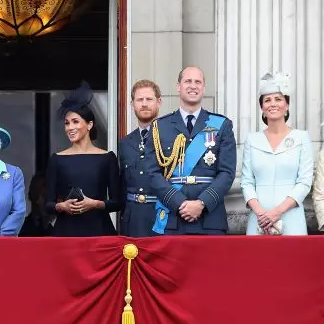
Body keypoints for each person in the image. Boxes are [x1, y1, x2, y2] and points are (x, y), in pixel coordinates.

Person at [145, 66, 236, 235]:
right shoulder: (160, 127)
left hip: (210, 218)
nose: (193, 86)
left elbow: (227, 173)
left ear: (203, 87)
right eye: (188, 81)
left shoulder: (221, 125)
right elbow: (152, 173)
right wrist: (180, 203)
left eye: (197, 82)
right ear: (178, 86)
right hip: (173, 217)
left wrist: (201, 203)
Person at [45, 82, 123, 237]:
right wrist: (62, 206)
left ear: (89, 125)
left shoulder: (107, 158)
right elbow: (48, 204)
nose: (69, 127)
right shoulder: (57, 159)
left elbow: (118, 202)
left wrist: (94, 204)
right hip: (66, 233)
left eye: (75, 121)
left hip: (99, 231)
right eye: (67, 123)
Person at [241, 73, 313, 236]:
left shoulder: (301, 138)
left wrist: (277, 212)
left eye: (278, 99)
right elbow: (246, 182)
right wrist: (261, 213)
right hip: (259, 219)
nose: (273, 104)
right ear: (262, 108)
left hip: (291, 217)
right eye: (267, 100)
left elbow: (304, 182)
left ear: (287, 105)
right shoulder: (252, 140)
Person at [118, 79, 162, 237]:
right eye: (139, 100)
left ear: (159, 102)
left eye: (149, 99)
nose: (144, 104)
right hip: (133, 220)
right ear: (132, 104)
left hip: (162, 217)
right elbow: (122, 185)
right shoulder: (125, 143)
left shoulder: (171, 138)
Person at [19, 173, 54, 237]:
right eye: (36, 192)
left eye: (44, 195)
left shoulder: (59, 226)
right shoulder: (20, 227)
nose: (39, 200)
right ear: (29, 195)